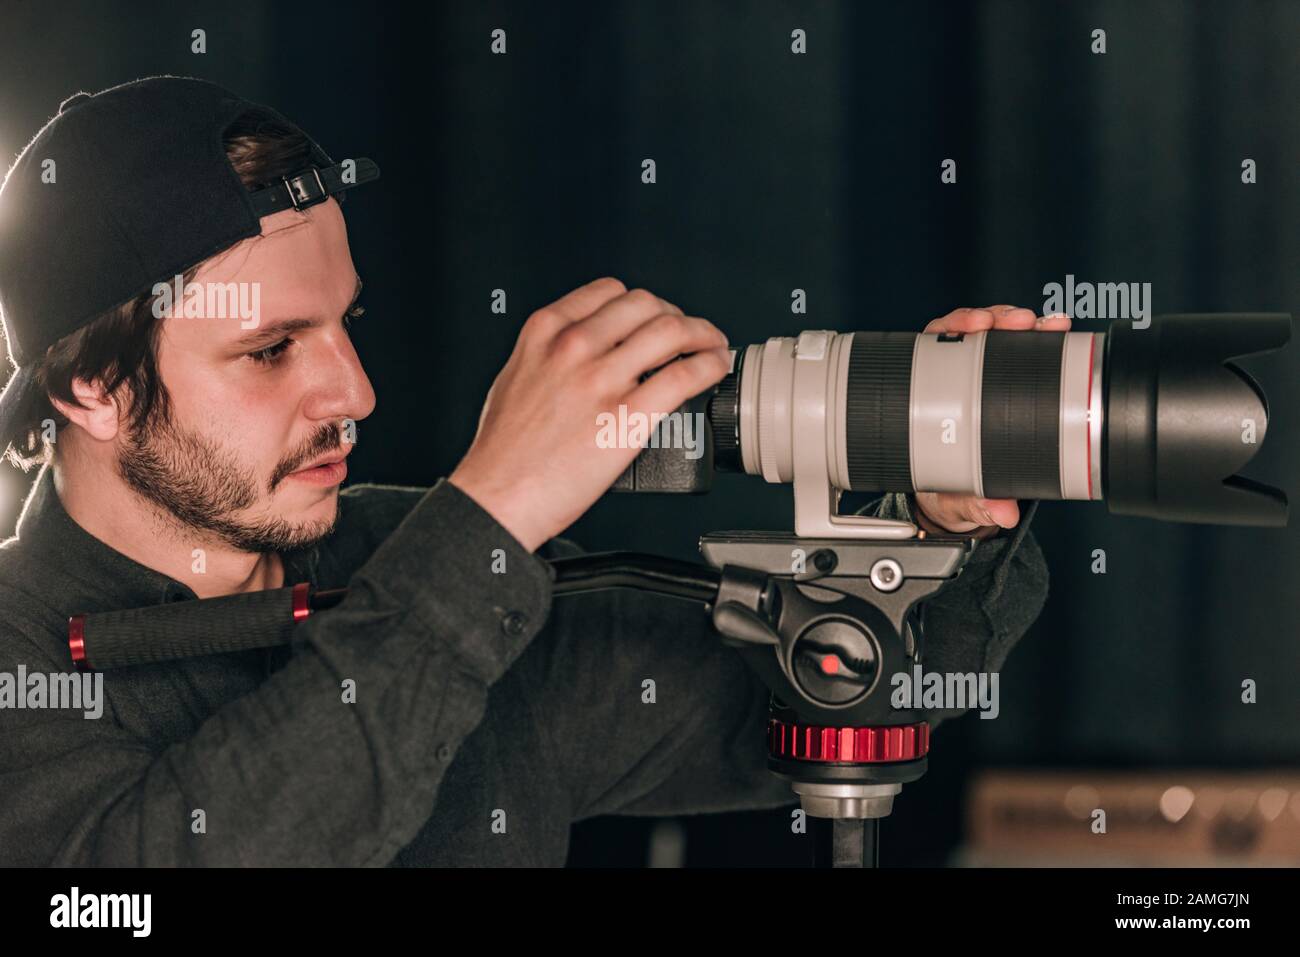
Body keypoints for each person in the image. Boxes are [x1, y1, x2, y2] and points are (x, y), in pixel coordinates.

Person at [0, 77, 1053, 866]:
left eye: (343, 324)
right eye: (271, 348)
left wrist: (938, 527)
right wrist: (490, 519)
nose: (355, 395)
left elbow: (819, 701)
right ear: (89, 384)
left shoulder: (424, 560)